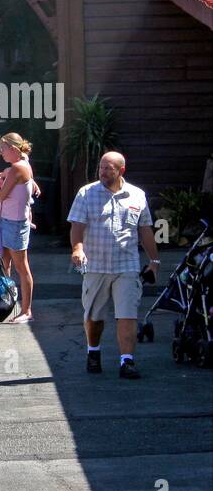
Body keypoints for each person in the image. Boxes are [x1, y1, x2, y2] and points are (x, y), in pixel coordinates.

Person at [67, 151, 161, 379]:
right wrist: (77, 249)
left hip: (127, 264)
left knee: (127, 314)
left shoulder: (137, 195)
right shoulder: (86, 193)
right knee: (94, 316)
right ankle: (93, 351)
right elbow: (77, 226)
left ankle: (126, 360)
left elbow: (145, 229)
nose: (103, 172)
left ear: (121, 170)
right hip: (96, 264)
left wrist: (154, 261)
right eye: (101, 167)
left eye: (109, 168)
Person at [0, 132, 36, 323]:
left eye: (3, 148)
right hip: (8, 220)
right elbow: (11, 189)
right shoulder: (18, 166)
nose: (0, 153)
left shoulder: (18, 167)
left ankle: (27, 311)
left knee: (21, 267)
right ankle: (6, 305)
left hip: (15, 223)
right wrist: (1, 182)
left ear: (13, 149)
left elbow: (1, 195)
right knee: (4, 264)